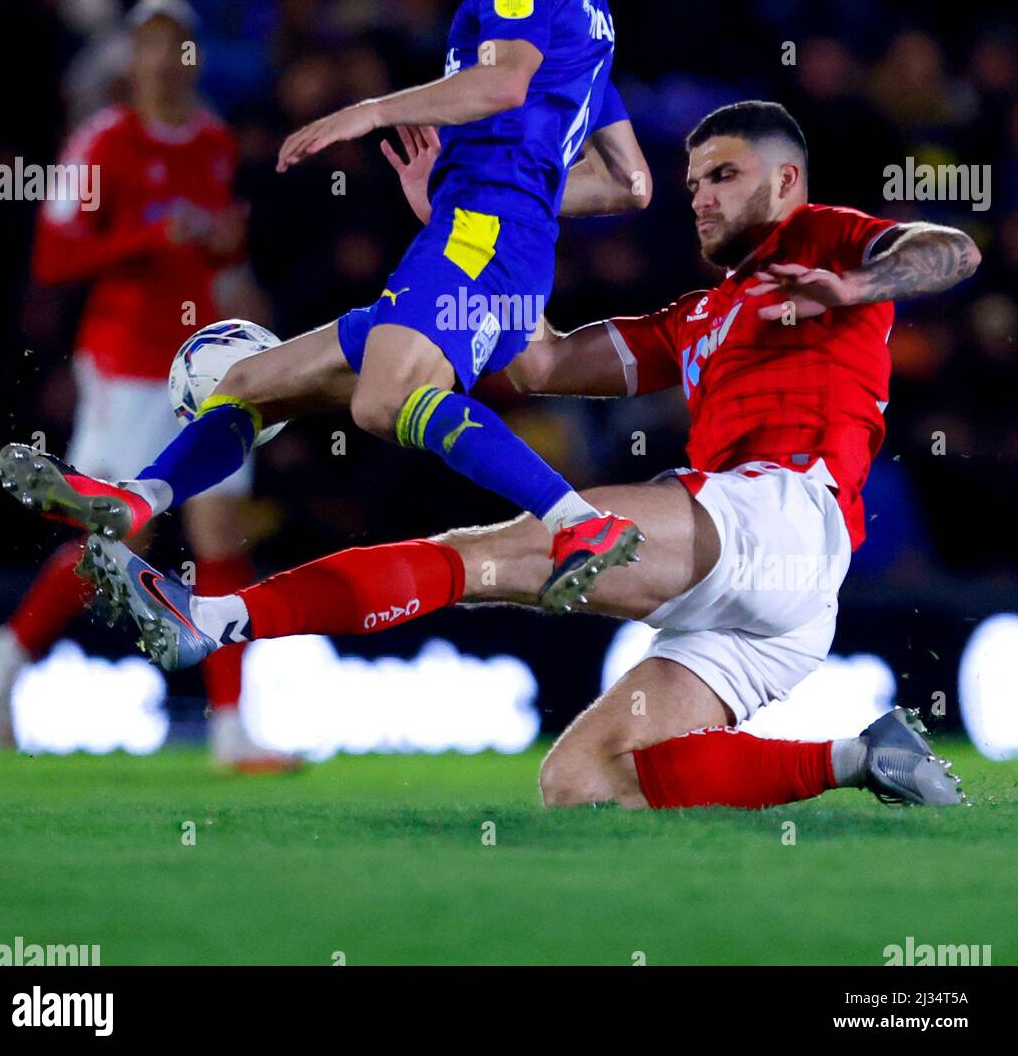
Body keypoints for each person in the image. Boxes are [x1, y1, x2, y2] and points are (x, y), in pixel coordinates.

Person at [80, 100, 976, 809]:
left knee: (488, 555)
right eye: (695, 178)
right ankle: (862, 755)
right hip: (776, 604)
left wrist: (858, 281)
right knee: (581, 780)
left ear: (786, 182)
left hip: (777, 514)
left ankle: (223, 617)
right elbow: (534, 357)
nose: (699, 195)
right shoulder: (695, 317)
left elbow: (950, 250)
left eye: (724, 176)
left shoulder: (827, 240)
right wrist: (457, 239)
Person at [0, 0, 653, 610]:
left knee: (385, 400)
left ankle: (576, 519)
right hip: (484, 235)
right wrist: (472, 187)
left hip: (481, 242)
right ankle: (138, 500)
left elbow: (503, 86)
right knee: (257, 384)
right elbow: (629, 181)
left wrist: (369, 111)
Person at [0, 0, 299, 772]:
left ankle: (231, 731)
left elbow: (219, 257)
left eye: (176, 45)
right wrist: (144, 236)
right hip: (126, 367)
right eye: (150, 45)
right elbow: (53, 258)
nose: (163, 60)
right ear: (133, 58)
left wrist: (226, 256)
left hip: (204, 366)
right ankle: (12, 653)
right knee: (122, 536)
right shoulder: (103, 143)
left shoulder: (215, 141)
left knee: (221, 531)